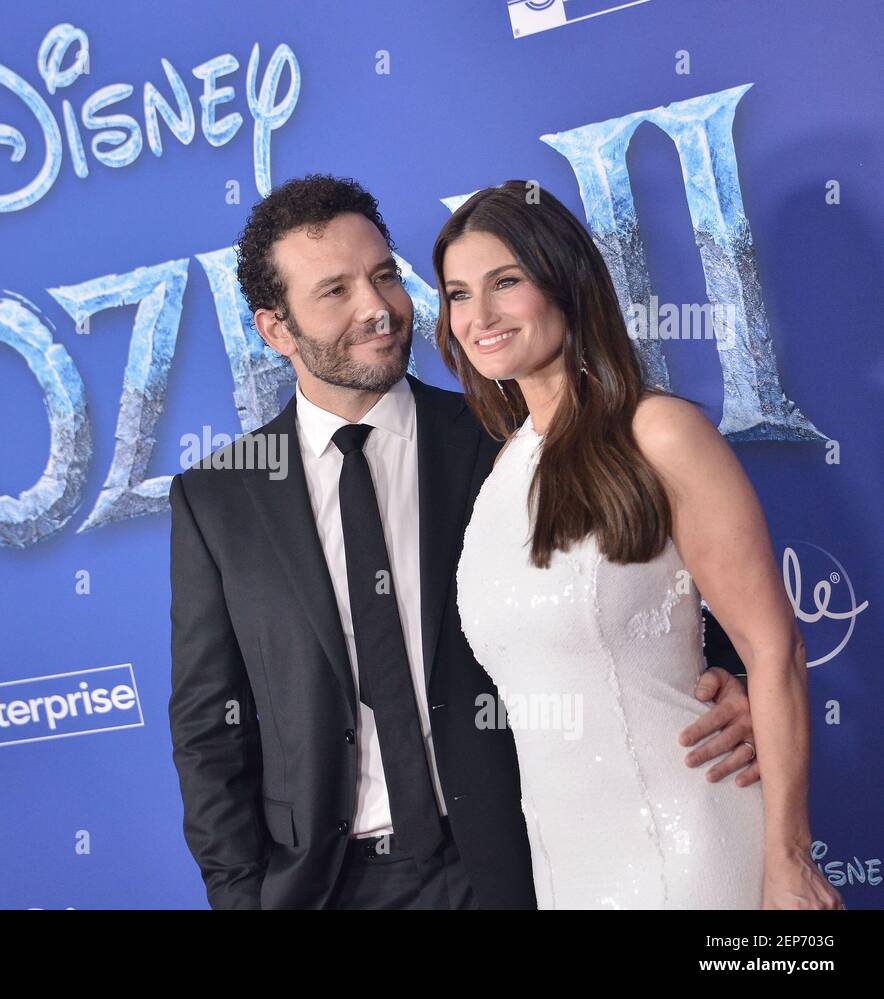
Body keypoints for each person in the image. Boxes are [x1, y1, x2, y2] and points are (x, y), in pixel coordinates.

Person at [168, 174, 760, 909]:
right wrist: (240, 897)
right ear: (275, 329)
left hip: (513, 860)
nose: (378, 308)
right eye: (335, 292)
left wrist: (740, 680)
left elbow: (652, 568)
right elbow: (207, 726)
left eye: (385, 275)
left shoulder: (506, 440)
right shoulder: (219, 497)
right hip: (326, 886)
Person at [440, 180, 842, 909]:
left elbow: (772, 646)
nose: (481, 316)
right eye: (459, 294)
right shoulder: (502, 468)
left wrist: (788, 858)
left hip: (690, 845)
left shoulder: (659, 433)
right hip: (564, 865)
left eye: (507, 282)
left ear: (565, 281)